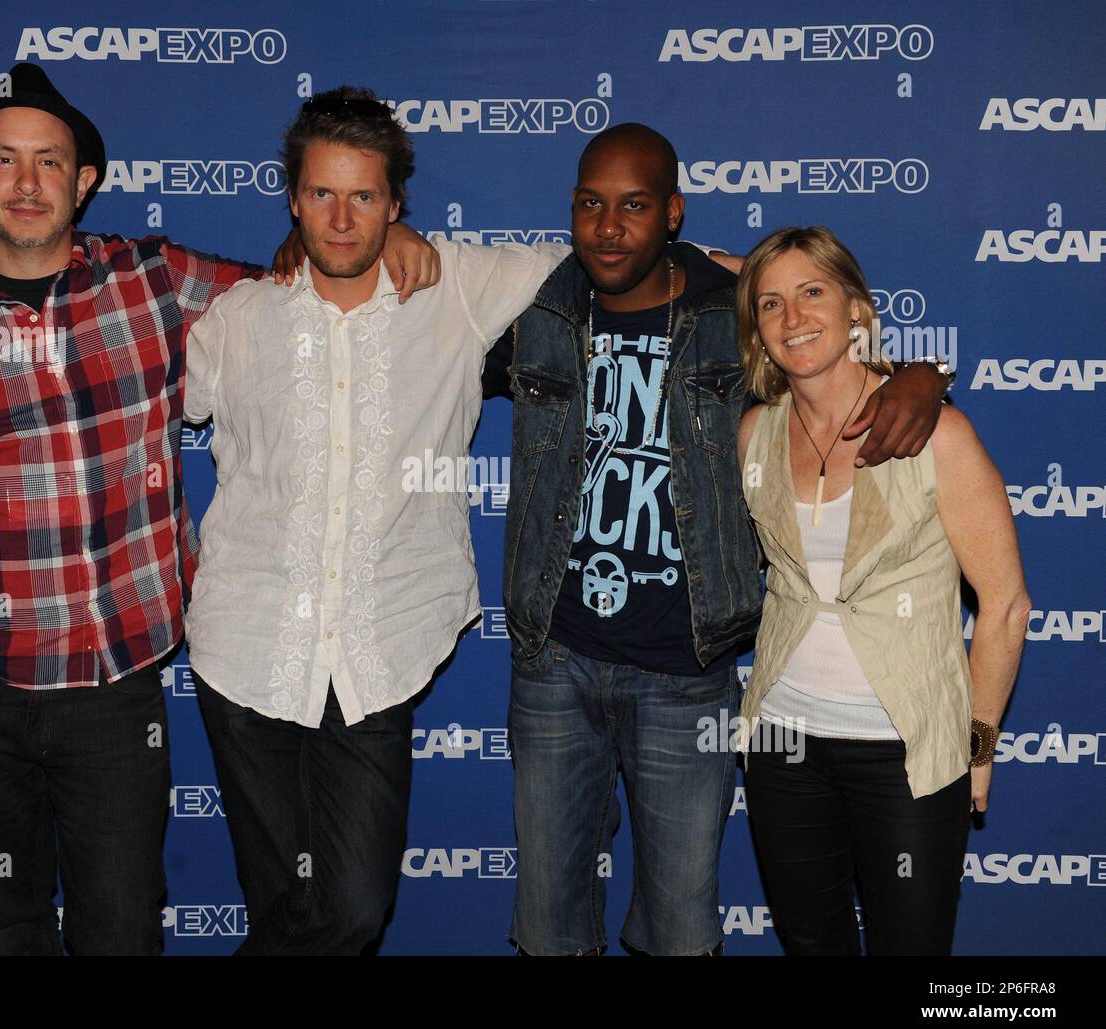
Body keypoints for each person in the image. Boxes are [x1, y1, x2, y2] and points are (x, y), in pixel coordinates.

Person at [0, 64, 434, 956]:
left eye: (49, 162)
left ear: (83, 181)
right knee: (5, 927)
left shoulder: (155, 280)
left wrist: (393, 244)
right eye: (3, 161)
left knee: (122, 932)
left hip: (110, 687)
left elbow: (307, 289)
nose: (26, 182)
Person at [490, 125, 953, 955]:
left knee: (680, 933)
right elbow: (402, 323)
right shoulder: (536, 311)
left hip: (687, 672)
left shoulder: (727, 316)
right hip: (553, 665)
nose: (608, 227)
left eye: (635, 206)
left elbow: (815, 325)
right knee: (548, 929)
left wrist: (920, 372)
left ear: (672, 213)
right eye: (589, 205)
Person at [182, 86, 574, 954]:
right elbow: (127, 361)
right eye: (322, 193)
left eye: (365, 196)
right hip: (246, 646)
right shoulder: (240, 318)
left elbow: (617, 253)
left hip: (378, 644)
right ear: (292, 197)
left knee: (354, 909)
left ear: (397, 203)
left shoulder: (459, 287)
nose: (342, 217)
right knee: (281, 908)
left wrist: (791, 280)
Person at [734, 226, 1030, 955]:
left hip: (906, 751)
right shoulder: (755, 433)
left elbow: (1005, 606)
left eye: (812, 294)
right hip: (783, 742)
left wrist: (979, 748)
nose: (793, 318)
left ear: (857, 310)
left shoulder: (937, 433)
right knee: (812, 946)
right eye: (770, 304)